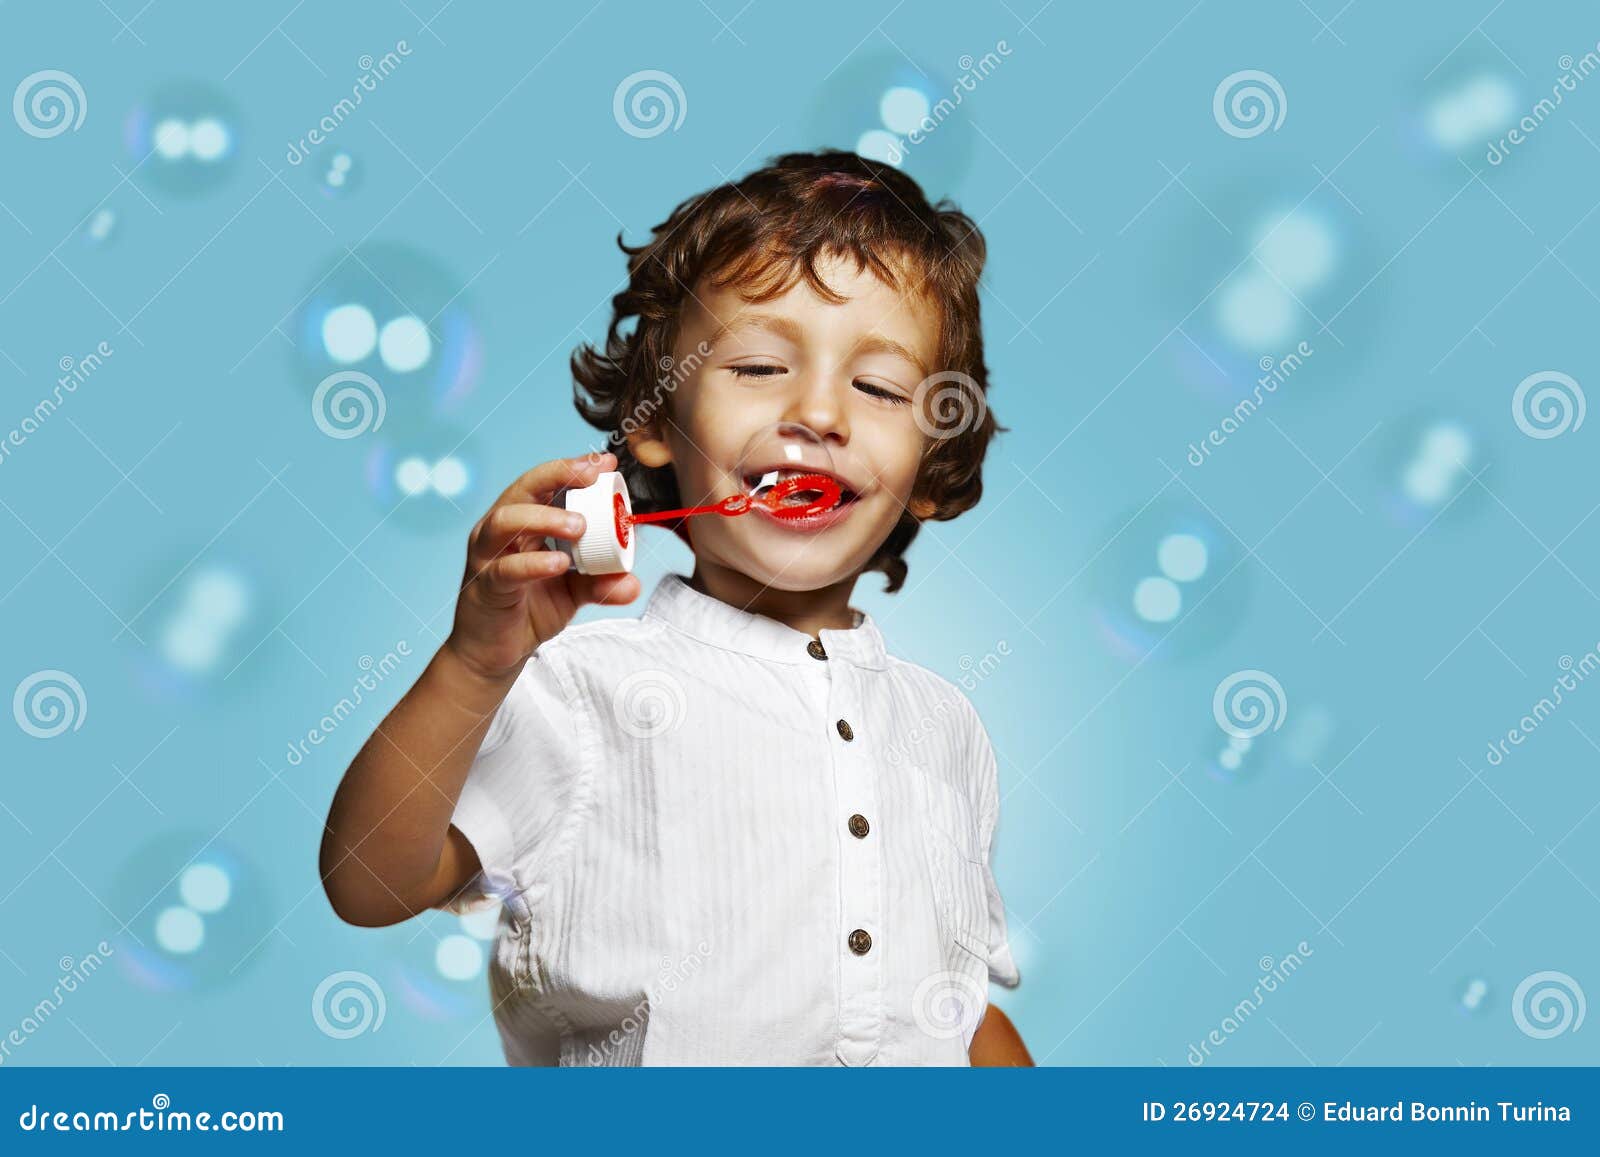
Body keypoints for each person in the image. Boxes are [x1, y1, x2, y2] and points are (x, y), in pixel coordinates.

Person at [321, 150, 1030, 1066]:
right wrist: (475, 665)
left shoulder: (947, 726)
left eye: (882, 388)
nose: (819, 411)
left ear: (931, 468)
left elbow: (952, 1006)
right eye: (762, 365)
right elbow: (371, 882)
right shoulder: (586, 690)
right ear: (656, 418)